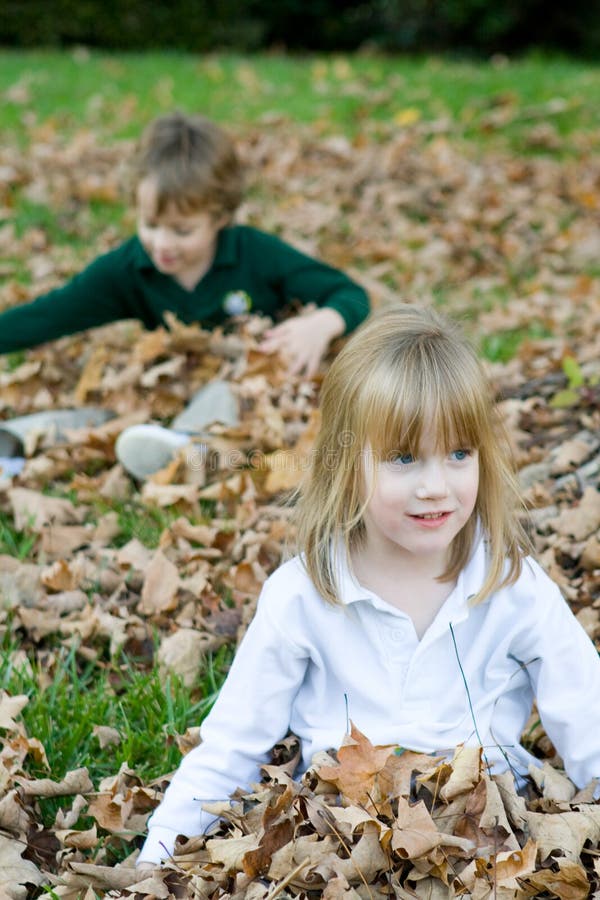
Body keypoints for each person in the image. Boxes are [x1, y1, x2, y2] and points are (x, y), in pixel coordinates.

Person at [137, 304, 600, 867]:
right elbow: (231, 748)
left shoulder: (512, 586)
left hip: (483, 844)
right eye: (403, 458)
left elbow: (590, 723)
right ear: (345, 465)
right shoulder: (304, 595)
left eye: (459, 454)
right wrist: (153, 862)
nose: (435, 486)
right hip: (339, 843)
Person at [0, 111, 370, 478]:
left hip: (244, 388)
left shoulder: (255, 254)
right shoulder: (127, 268)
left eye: (182, 230)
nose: (162, 244)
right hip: (169, 390)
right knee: (119, 407)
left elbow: (348, 293)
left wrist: (322, 323)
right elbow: (48, 315)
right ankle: (15, 438)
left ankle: (182, 447)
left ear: (220, 216)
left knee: (227, 392)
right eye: (150, 225)